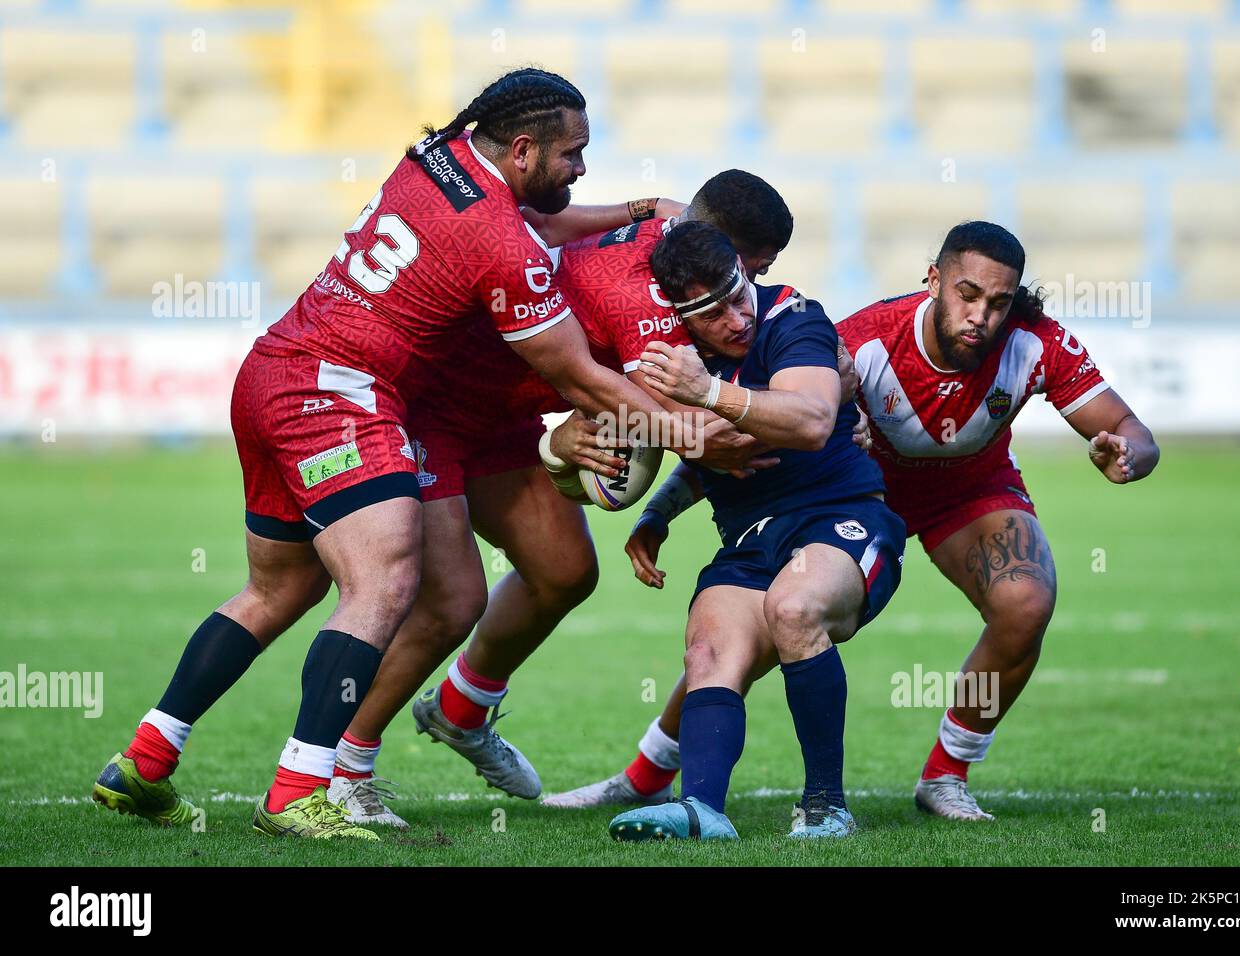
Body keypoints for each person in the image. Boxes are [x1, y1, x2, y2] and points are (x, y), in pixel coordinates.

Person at [91, 68, 687, 841]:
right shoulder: (501, 241)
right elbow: (574, 370)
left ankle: (143, 761)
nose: (581, 169)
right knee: (385, 581)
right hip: (339, 393)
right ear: (522, 147)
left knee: (276, 592)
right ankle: (302, 788)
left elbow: (534, 224)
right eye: (572, 153)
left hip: (274, 368)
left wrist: (641, 209)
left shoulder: (437, 154)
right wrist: (697, 429)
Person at [559, 220, 1160, 824]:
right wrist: (658, 505)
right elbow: (750, 439)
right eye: (968, 294)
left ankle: (946, 776)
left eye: (999, 302)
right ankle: (652, 776)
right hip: (852, 494)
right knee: (743, 640)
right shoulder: (865, 341)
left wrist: (1129, 455)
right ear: (934, 281)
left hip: (966, 491)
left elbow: (1133, 431)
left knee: (1026, 602)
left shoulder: (1036, 343)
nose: (982, 315)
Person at [326, 172, 800, 828]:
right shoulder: (650, 299)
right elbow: (685, 429)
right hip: (435, 409)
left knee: (565, 571)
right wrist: (805, 417)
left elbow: (555, 239)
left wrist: (567, 437)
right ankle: (344, 769)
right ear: (720, 244)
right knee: (453, 600)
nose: (752, 287)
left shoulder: (672, 240)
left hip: (508, 417)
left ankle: (460, 710)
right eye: (757, 265)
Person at [605, 221, 906, 840]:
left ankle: (826, 806)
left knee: (794, 609)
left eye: (741, 295)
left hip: (841, 517)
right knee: (707, 652)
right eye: (715, 313)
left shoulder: (792, 318)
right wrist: (657, 513)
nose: (739, 318)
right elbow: (717, 455)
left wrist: (707, 391)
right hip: (749, 537)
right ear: (682, 314)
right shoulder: (663, 355)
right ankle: (702, 810)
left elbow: (812, 420)